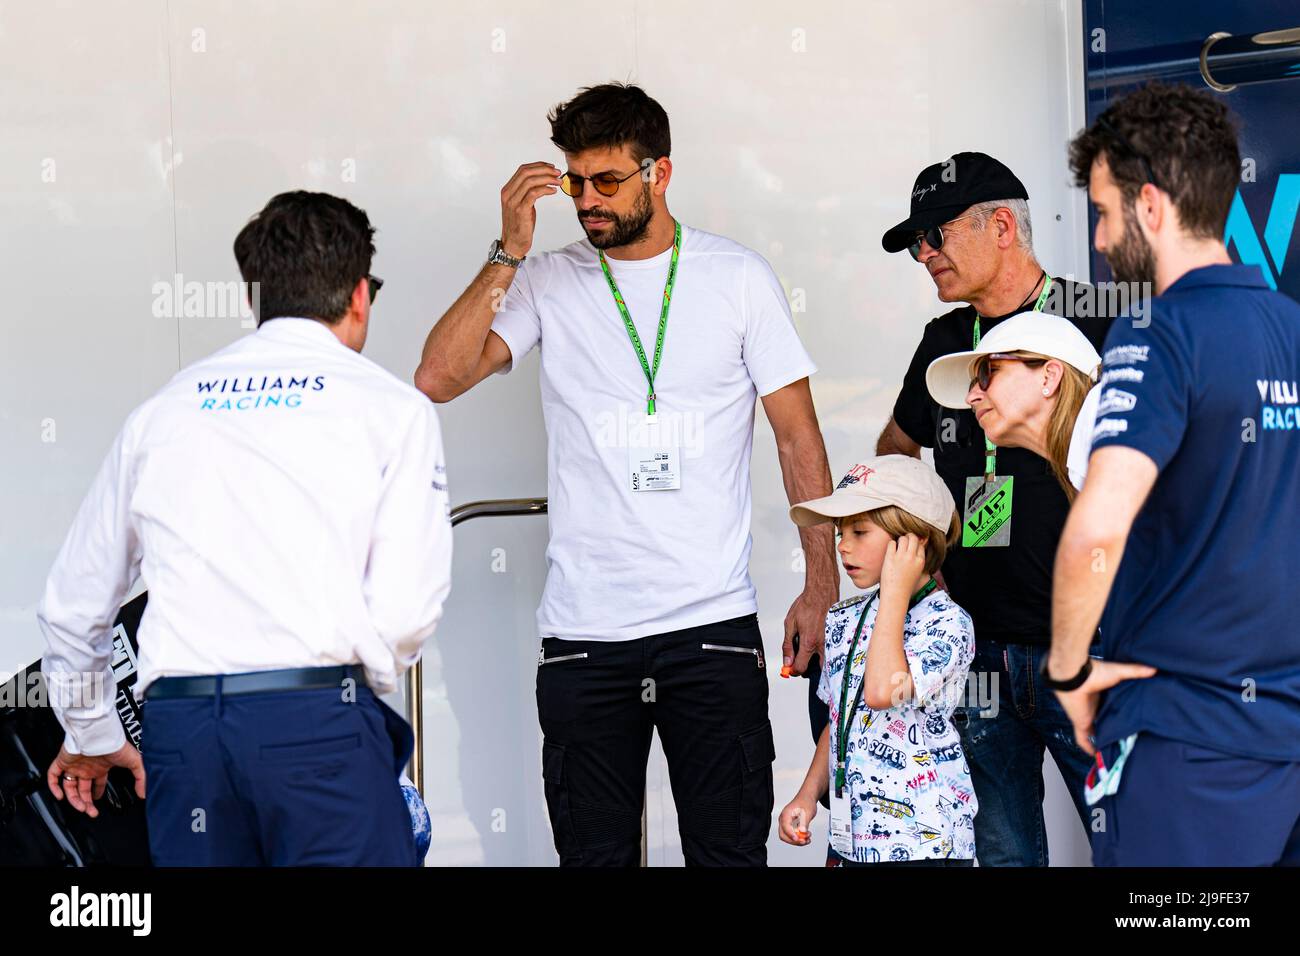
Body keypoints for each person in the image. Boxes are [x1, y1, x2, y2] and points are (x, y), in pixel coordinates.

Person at [414, 83, 837, 866]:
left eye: (607, 181)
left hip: (710, 628)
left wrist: (820, 585)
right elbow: (438, 377)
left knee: (729, 856)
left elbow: (797, 440)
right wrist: (508, 248)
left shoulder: (737, 278)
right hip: (584, 636)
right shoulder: (544, 279)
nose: (587, 202)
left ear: (660, 172)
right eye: (575, 182)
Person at [37, 191, 453, 866]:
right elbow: (408, 609)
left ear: (254, 299)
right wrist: (341, 695)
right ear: (358, 296)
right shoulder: (392, 408)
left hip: (183, 732)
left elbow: (72, 605)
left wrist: (89, 730)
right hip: (318, 721)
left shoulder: (164, 411)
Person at [1050, 81, 1300, 866]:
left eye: (1103, 211)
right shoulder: (1292, 328)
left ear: (1151, 207)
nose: (1097, 238)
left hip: (1190, 749)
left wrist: (1068, 669)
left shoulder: (1158, 332)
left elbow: (1097, 526)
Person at [875, 152, 1113, 865]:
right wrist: (922, 560)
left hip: (1090, 642)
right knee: (1003, 854)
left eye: (935, 236)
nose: (924, 255)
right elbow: (895, 448)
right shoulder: (945, 342)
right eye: (916, 244)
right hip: (974, 650)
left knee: (1135, 840)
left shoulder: (1097, 319)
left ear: (1001, 225)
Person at [778, 455, 976, 866]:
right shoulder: (844, 617)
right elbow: (840, 717)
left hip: (925, 842)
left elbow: (884, 691)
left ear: (913, 541)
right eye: (839, 533)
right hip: (853, 839)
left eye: (859, 531)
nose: (843, 546)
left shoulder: (948, 623)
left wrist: (895, 594)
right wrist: (807, 793)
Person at [925, 312, 1102, 495]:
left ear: (1049, 377)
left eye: (987, 373)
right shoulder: (1087, 466)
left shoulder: (1122, 444)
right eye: (972, 383)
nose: (970, 398)